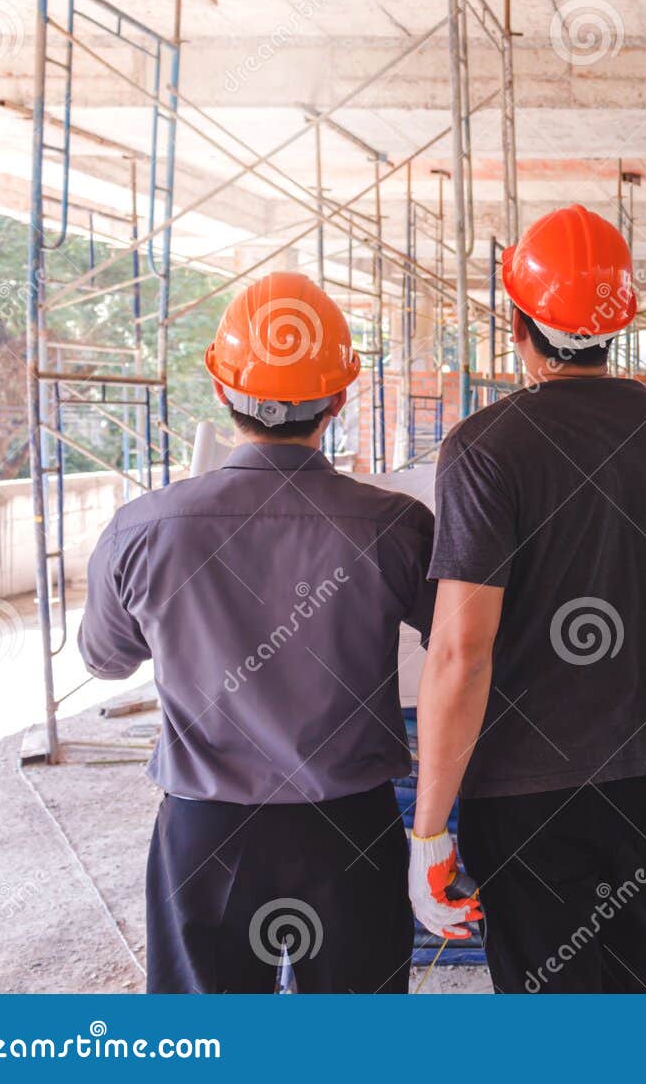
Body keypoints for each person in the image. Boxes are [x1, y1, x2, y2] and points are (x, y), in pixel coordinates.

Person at [78, 272, 444, 993]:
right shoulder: (396, 527)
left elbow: (105, 659)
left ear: (222, 388)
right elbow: (464, 649)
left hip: (206, 835)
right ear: (339, 398)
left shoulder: (145, 529)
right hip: (349, 831)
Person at [407, 204, 646, 993]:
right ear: (617, 323)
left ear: (517, 321)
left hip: (527, 787)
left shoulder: (484, 448)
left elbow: (461, 653)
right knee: (637, 974)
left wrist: (429, 830)